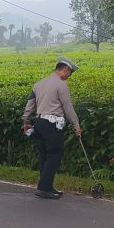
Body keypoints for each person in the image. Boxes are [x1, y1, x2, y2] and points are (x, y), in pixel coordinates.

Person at [22, 56, 82, 199]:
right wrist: (76, 125)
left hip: (39, 123)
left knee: (44, 155)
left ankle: (45, 186)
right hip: (53, 125)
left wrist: (25, 122)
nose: (69, 76)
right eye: (69, 73)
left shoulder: (38, 84)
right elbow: (68, 108)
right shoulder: (61, 85)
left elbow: (30, 105)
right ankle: (44, 189)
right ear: (64, 70)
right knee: (54, 155)